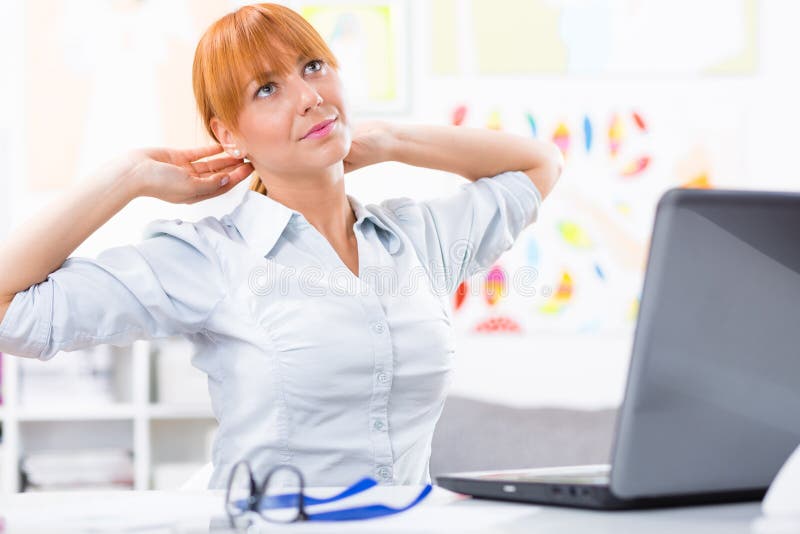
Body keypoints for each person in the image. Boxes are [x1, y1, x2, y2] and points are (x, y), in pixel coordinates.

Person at [0, 3, 562, 489]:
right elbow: (9, 308)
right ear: (228, 135)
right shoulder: (210, 258)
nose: (310, 97)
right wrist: (127, 177)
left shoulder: (417, 242)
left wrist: (391, 140)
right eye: (267, 89)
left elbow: (540, 164)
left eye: (313, 67)